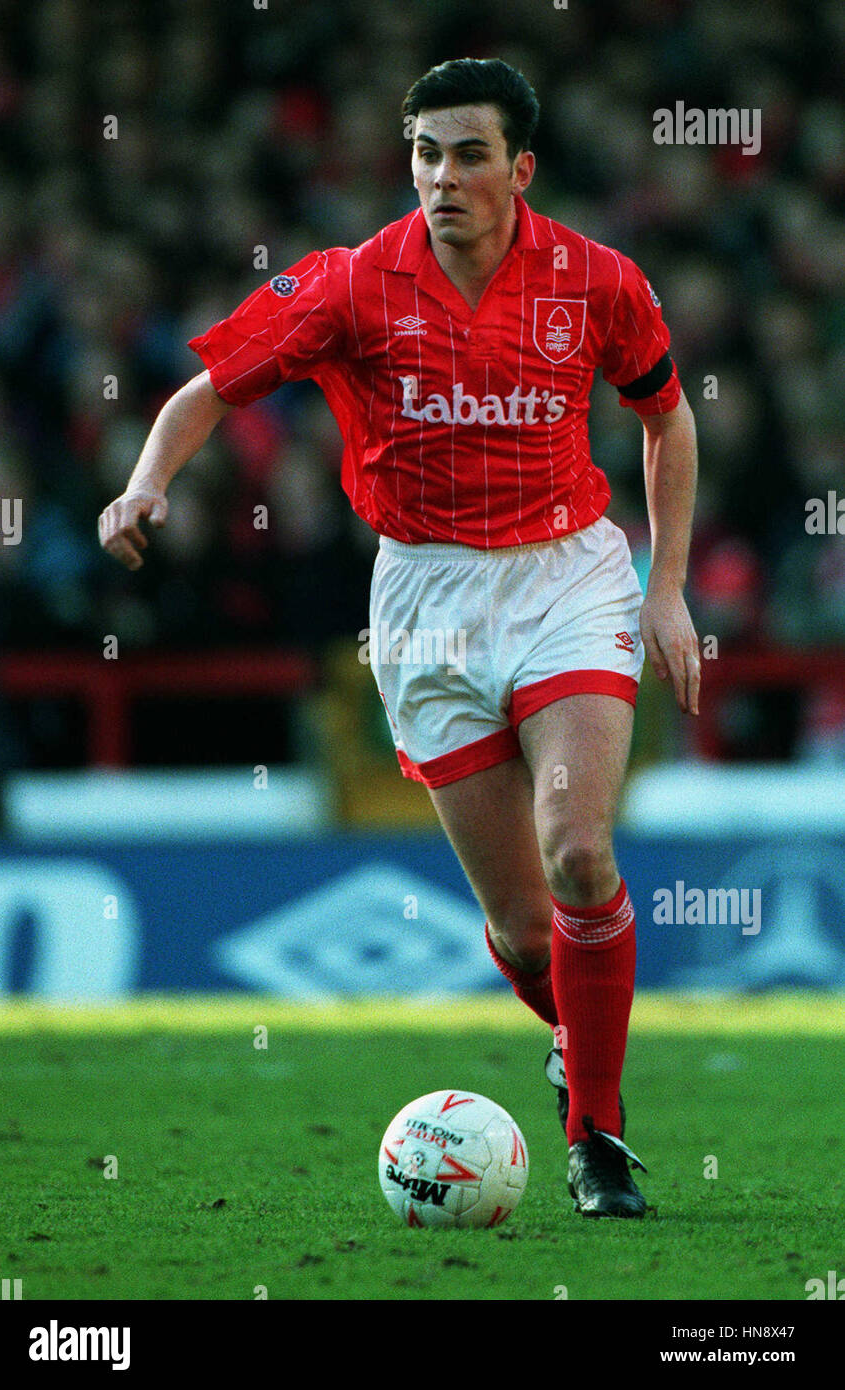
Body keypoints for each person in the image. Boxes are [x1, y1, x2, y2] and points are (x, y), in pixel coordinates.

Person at [99, 57, 700, 1219]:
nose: (442, 178)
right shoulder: (352, 284)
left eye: (468, 154)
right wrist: (144, 484)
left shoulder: (595, 280)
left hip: (566, 579)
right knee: (525, 932)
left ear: (520, 168)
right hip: (422, 605)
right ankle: (573, 1040)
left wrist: (663, 588)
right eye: (424, 154)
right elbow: (206, 389)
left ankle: (598, 1138)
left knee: (578, 853)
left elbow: (664, 418)